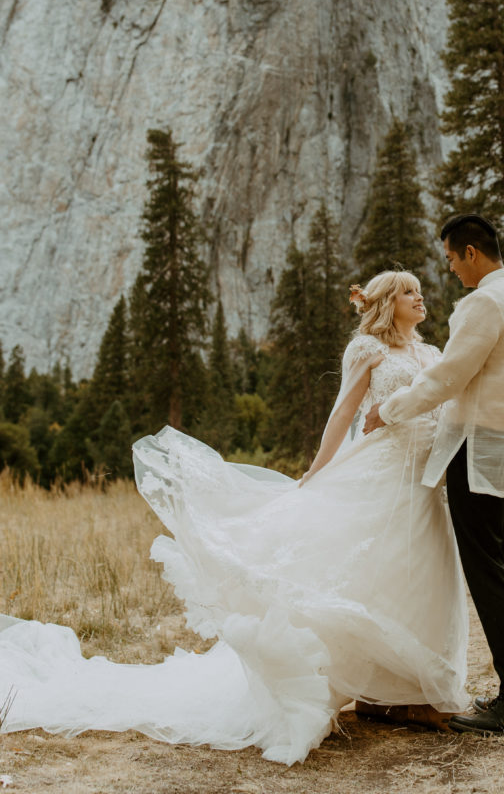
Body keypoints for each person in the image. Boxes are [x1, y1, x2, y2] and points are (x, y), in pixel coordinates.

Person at [0, 271, 468, 765]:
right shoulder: (366, 350)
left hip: (425, 481)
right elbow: (342, 414)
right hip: (379, 474)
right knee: (366, 573)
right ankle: (370, 687)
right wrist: (315, 471)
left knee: (418, 575)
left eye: (420, 291)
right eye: (409, 293)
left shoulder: (433, 353)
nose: (421, 299)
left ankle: (404, 692)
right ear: (388, 303)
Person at [364, 215, 504, 735]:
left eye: (449, 258)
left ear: (469, 252)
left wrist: (390, 409)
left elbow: (446, 377)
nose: (450, 269)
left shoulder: (485, 302)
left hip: (477, 449)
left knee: (490, 571)